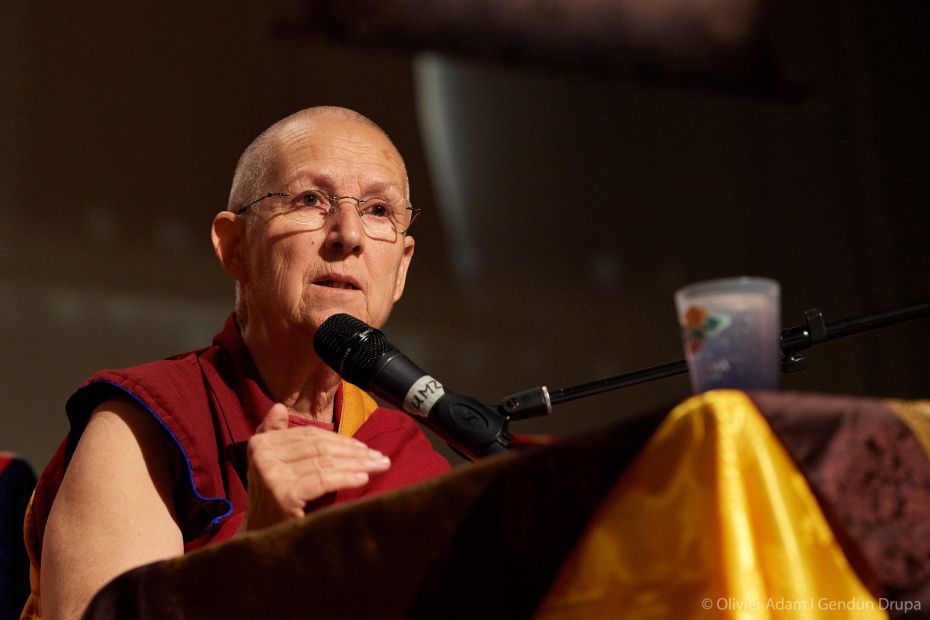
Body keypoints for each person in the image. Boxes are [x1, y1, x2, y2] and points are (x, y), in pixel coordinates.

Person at [21, 107, 451, 619]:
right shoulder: (144, 427)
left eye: (379, 210)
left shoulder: (406, 459)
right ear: (234, 247)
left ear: (401, 268)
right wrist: (253, 554)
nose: (349, 234)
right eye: (311, 199)